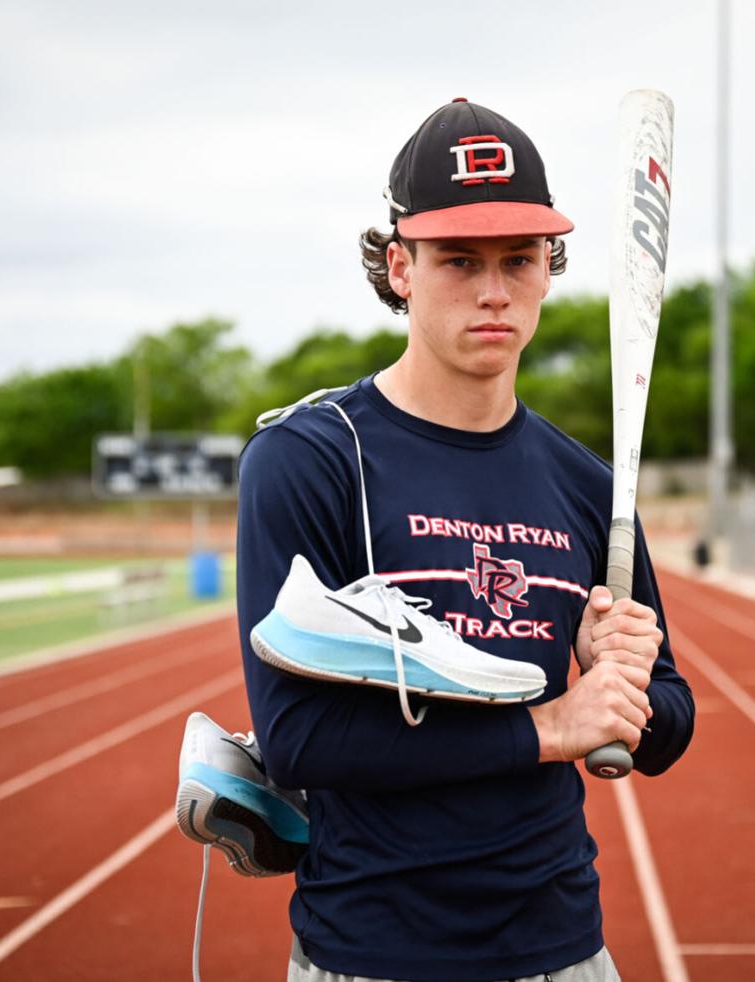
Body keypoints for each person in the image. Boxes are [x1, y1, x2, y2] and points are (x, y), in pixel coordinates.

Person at [235, 98, 694, 982]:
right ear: (400, 266)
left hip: (564, 944)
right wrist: (548, 727)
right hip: (372, 950)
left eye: (519, 258)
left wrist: (621, 677)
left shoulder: (587, 483)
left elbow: (667, 726)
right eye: (459, 260)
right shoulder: (312, 458)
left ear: (549, 269)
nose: (493, 290)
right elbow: (298, 739)